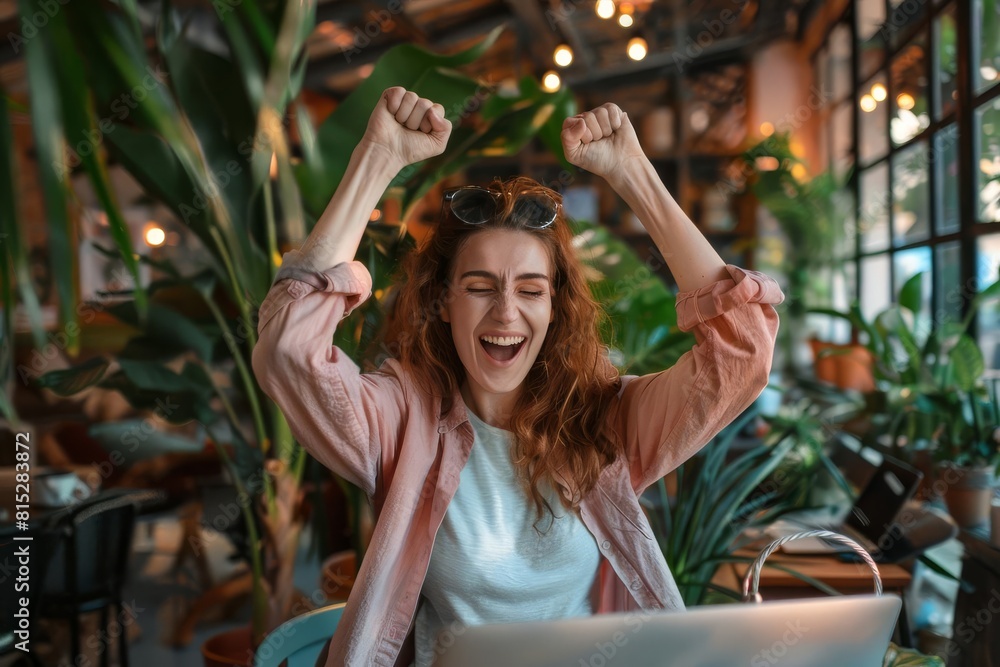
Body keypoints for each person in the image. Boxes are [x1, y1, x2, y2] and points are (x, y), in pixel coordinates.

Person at [251, 86, 784, 667]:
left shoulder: (606, 419)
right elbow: (289, 349)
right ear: (445, 301)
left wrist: (633, 173)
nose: (506, 312)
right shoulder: (402, 420)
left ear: (555, 307)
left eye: (530, 290)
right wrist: (376, 157)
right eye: (479, 286)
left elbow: (741, 354)